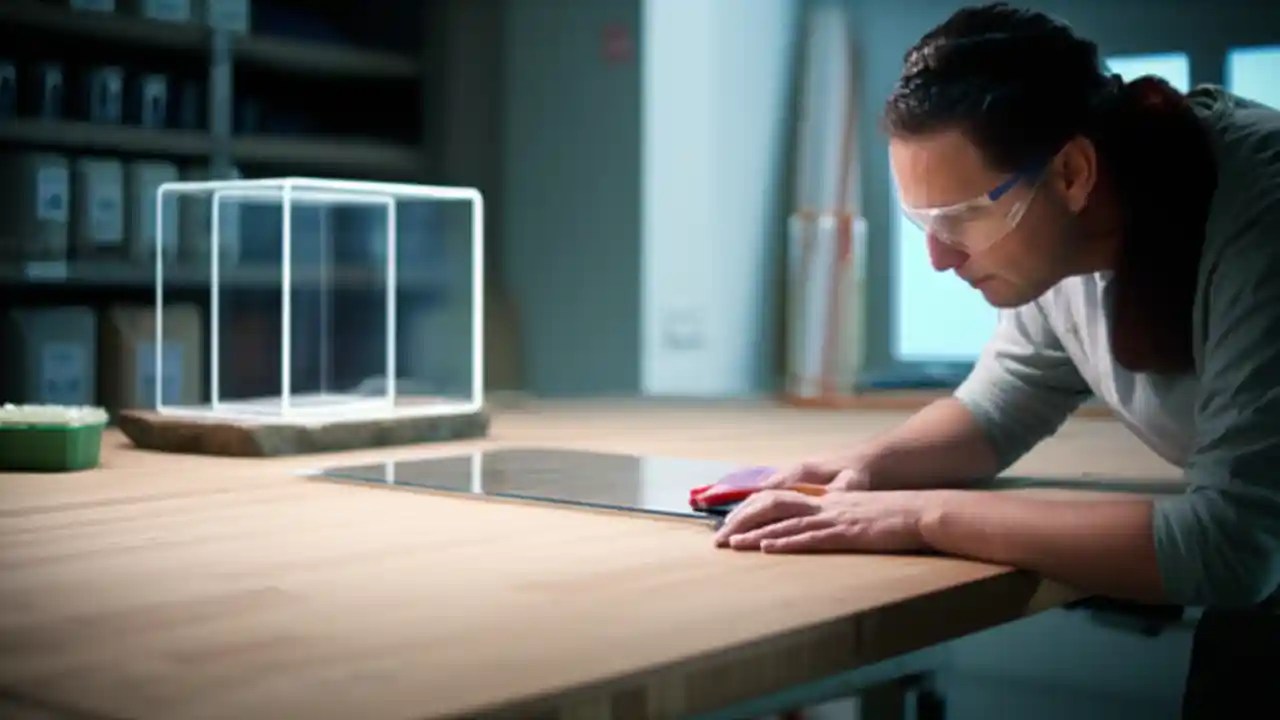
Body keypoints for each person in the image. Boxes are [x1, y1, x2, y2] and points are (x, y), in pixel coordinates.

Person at [712, 3, 1280, 712]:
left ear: (1073, 172)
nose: (939, 258)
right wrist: (864, 469)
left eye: (958, 220)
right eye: (923, 224)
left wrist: (924, 518)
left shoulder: (1261, 216)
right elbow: (997, 406)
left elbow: (1231, 547)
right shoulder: (1074, 235)